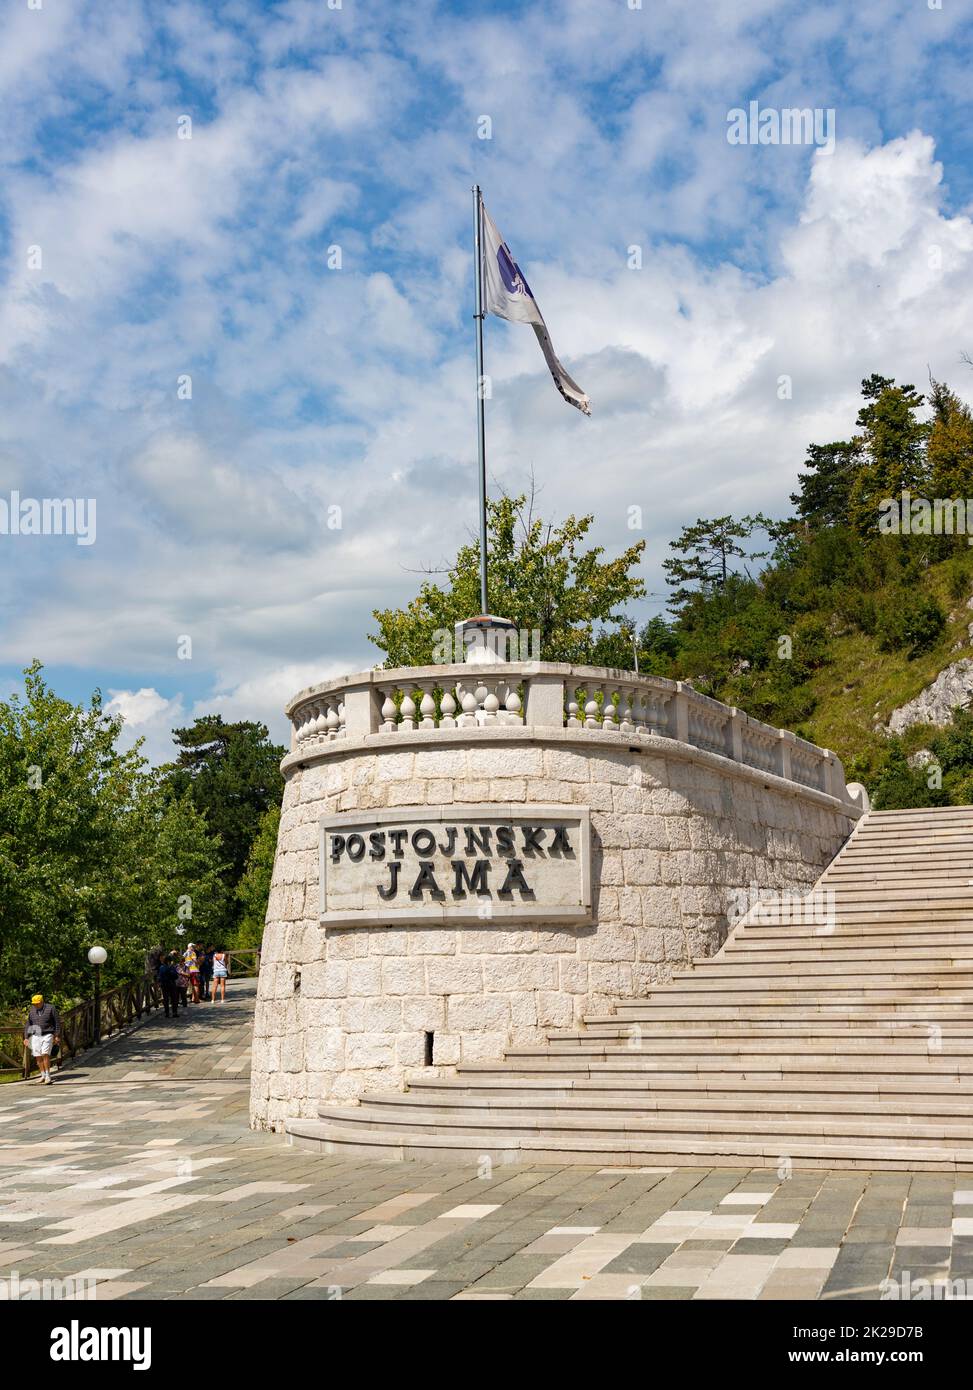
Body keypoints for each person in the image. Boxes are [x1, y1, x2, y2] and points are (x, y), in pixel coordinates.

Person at [23, 993, 60, 1084]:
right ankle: (42, 1075)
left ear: (42, 1002)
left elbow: (57, 1022)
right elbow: (28, 1024)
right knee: (38, 1056)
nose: (35, 1005)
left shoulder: (51, 1008)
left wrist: (56, 1035)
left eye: (37, 1003)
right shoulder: (32, 1011)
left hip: (48, 1034)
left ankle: (48, 1076)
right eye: (34, 1003)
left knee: (45, 1054)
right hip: (36, 1035)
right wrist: (26, 1037)